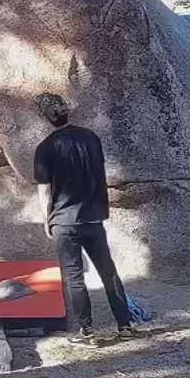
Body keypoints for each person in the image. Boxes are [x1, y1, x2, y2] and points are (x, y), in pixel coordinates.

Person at [33, 93, 144, 347]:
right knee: (109, 272)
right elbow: (98, 172)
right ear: (66, 110)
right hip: (93, 217)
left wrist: (46, 219)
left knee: (74, 276)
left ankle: (87, 331)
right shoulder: (91, 138)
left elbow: (44, 190)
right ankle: (125, 325)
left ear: (46, 117)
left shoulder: (45, 148)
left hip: (64, 220)